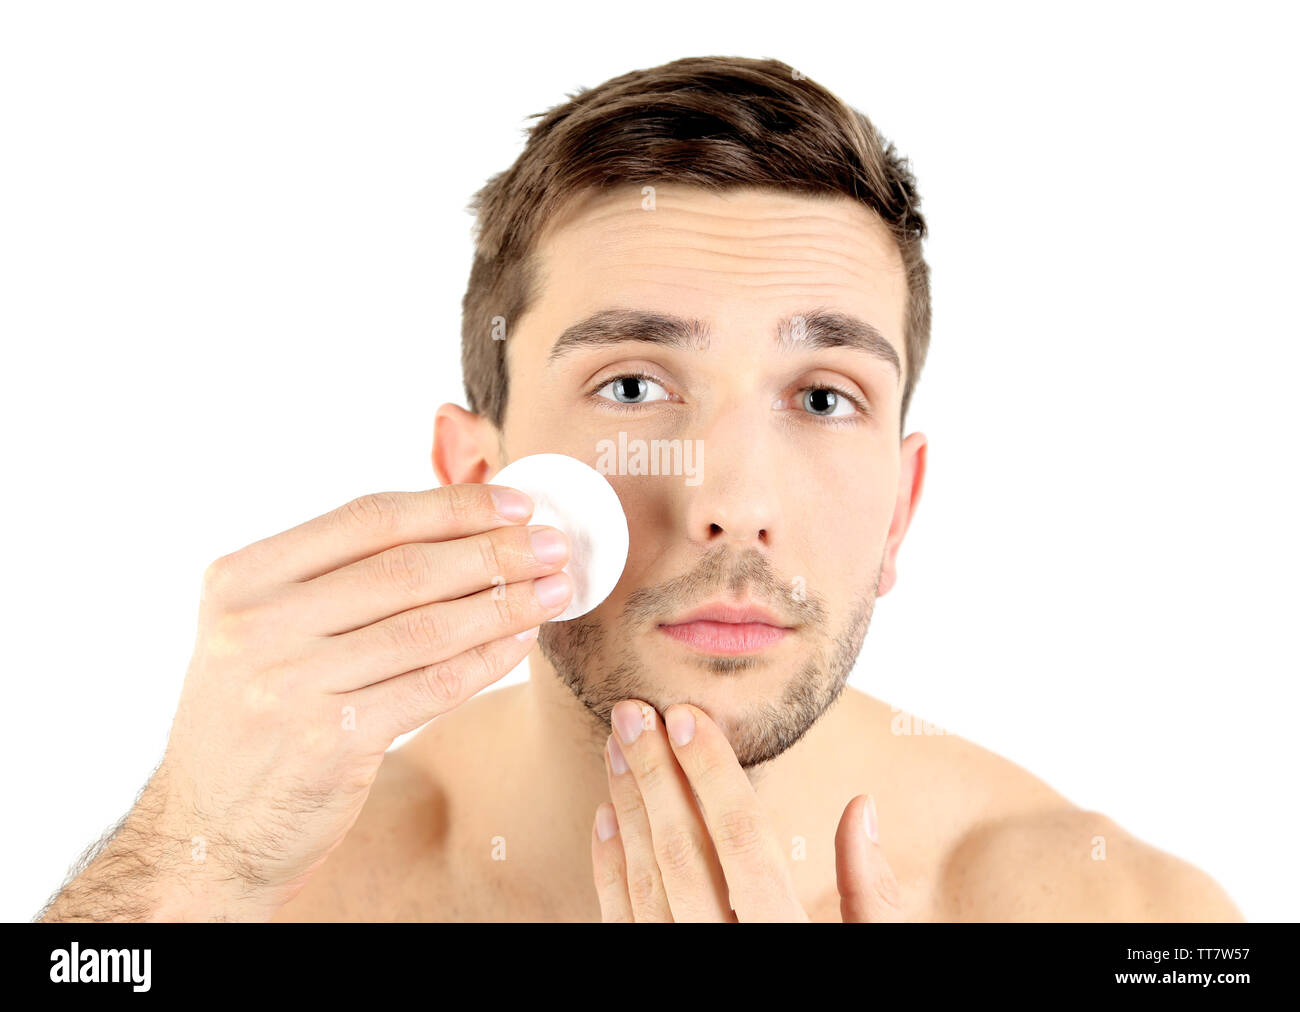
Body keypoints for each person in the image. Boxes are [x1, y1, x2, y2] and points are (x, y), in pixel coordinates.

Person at [39, 55, 1242, 922]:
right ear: (479, 477)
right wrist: (181, 856)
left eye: (824, 396)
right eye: (631, 384)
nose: (732, 500)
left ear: (898, 511)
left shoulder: (1126, 916)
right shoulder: (282, 893)